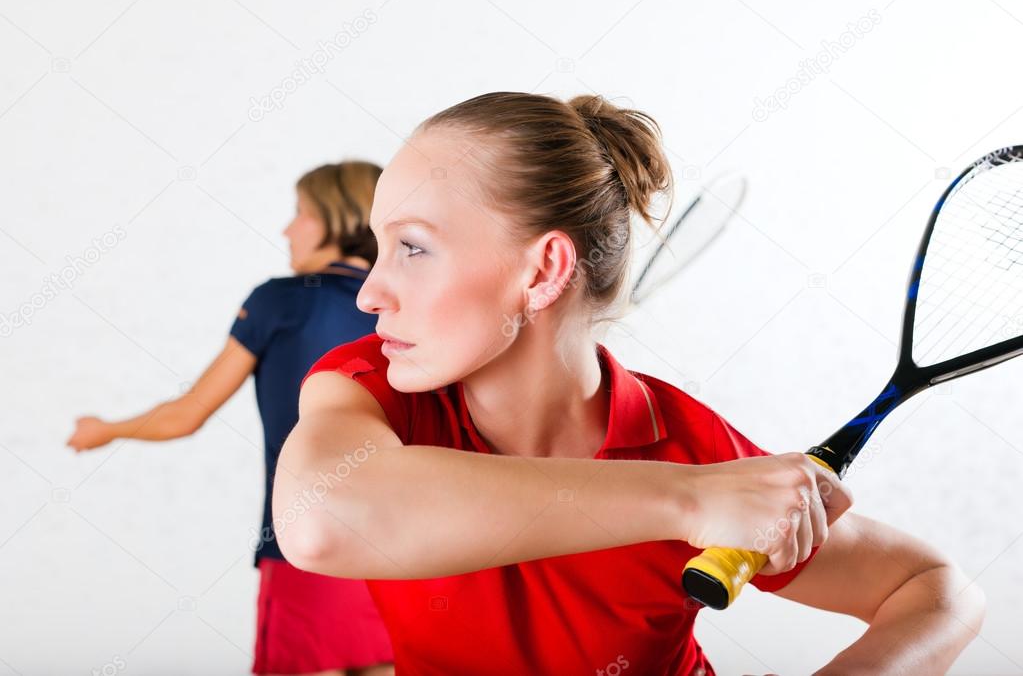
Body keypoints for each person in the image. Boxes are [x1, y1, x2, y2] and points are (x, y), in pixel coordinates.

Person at [271, 93, 986, 675]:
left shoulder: (694, 446)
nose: (369, 294)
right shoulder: (370, 389)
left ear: (543, 271)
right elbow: (315, 520)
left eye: (413, 248)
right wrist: (688, 502)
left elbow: (935, 593)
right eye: (379, 246)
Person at [66, 161, 396, 676]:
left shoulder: (279, 302)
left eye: (300, 213)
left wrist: (107, 429)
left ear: (336, 217)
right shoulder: (405, 306)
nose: (287, 229)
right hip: (406, 553)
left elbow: (186, 415)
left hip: (304, 545)